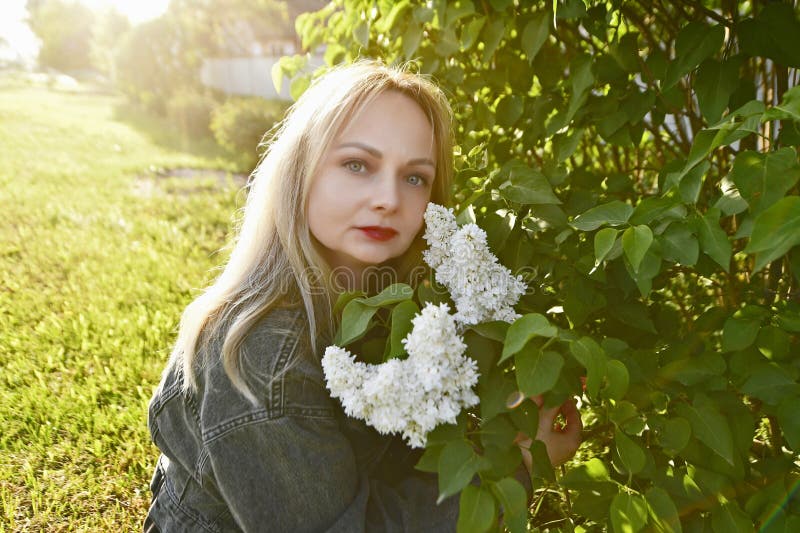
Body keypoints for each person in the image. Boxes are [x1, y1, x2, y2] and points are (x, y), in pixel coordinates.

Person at [144, 60, 582, 532]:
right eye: (357, 164)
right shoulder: (262, 359)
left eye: (415, 177)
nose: (389, 199)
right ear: (300, 171)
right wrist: (521, 463)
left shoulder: (403, 297)